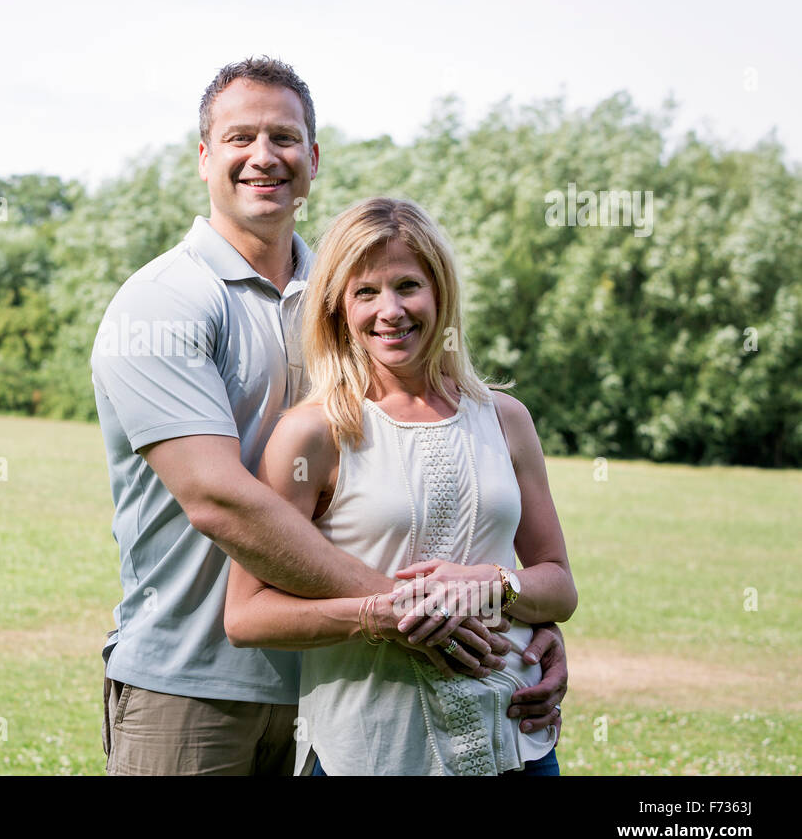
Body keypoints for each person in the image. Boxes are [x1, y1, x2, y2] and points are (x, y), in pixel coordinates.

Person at [90, 57, 568, 776]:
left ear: (312, 160)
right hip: (197, 683)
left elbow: (461, 481)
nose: (263, 156)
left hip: (336, 689)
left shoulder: (351, 290)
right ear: (203, 157)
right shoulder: (165, 304)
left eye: (284, 137)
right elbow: (220, 498)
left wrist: (518, 614)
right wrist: (431, 614)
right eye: (239, 137)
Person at [224, 196, 578, 775]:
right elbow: (247, 616)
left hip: (517, 744)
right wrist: (379, 616)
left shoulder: (505, 419)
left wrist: (493, 584)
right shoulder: (313, 434)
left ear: (440, 293)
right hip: (372, 752)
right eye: (365, 292)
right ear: (338, 307)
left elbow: (559, 586)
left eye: (408, 285)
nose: (390, 310)